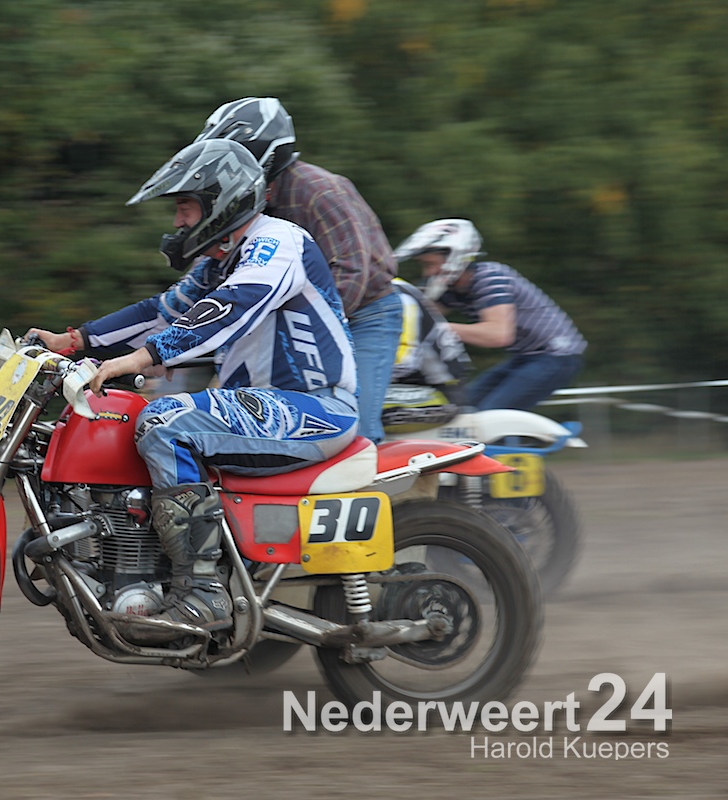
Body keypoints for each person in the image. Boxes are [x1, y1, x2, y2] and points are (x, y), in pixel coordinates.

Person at [30, 139, 358, 642]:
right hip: (263, 410)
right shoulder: (217, 262)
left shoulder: (277, 243)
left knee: (164, 423)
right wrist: (73, 341)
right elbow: (158, 312)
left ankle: (203, 593)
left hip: (315, 408)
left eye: (186, 206)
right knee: (128, 425)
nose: (179, 221)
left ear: (220, 203)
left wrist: (141, 358)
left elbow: (230, 308)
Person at [193, 97, 401, 443]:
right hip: (283, 319)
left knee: (351, 427)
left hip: (366, 314)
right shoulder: (246, 198)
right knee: (257, 421)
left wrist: (280, 327)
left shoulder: (317, 191)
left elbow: (351, 271)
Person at [393, 219, 586, 411]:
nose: (428, 272)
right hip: (525, 357)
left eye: (430, 264)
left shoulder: (490, 277)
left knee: (491, 416)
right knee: (464, 412)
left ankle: (516, 441)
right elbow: (418, 316)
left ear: (454, 257)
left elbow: (498, 334)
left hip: (556, 356)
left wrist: (438, 328)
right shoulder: (452, 288)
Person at [381, 277, 471, 432]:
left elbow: (403, 361)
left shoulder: (398, 297)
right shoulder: (381, 289)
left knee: (358, 408)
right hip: (406, 386)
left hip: (438, 394)